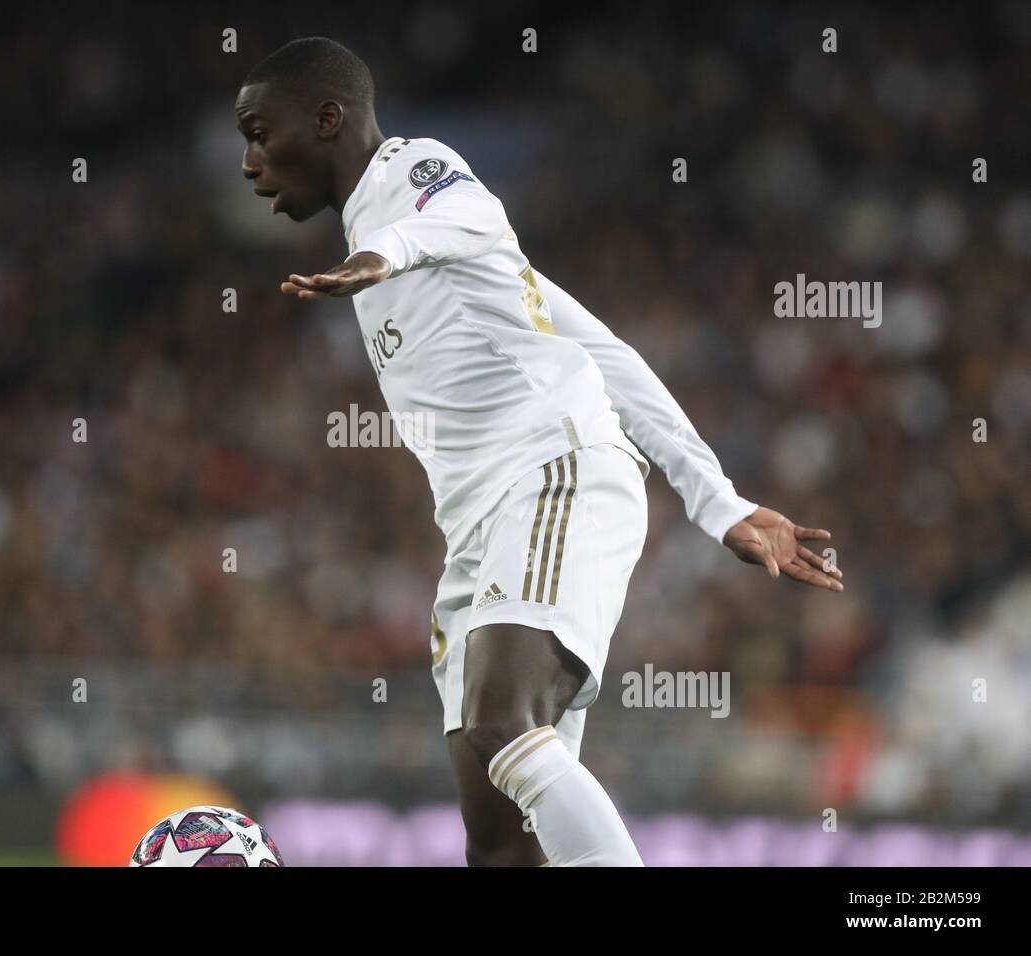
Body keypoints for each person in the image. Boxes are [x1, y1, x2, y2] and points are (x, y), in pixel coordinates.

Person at [235, 37, 843, 866]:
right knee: (500, 844)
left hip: (554, 476)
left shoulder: (413, 174)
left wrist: (387, 255)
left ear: (328, 118)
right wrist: (719, 500)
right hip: (479, 533)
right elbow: (606, 353)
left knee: (501, 721)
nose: (249, 162)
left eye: (260, 133)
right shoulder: (438, 255)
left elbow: (466, 215)